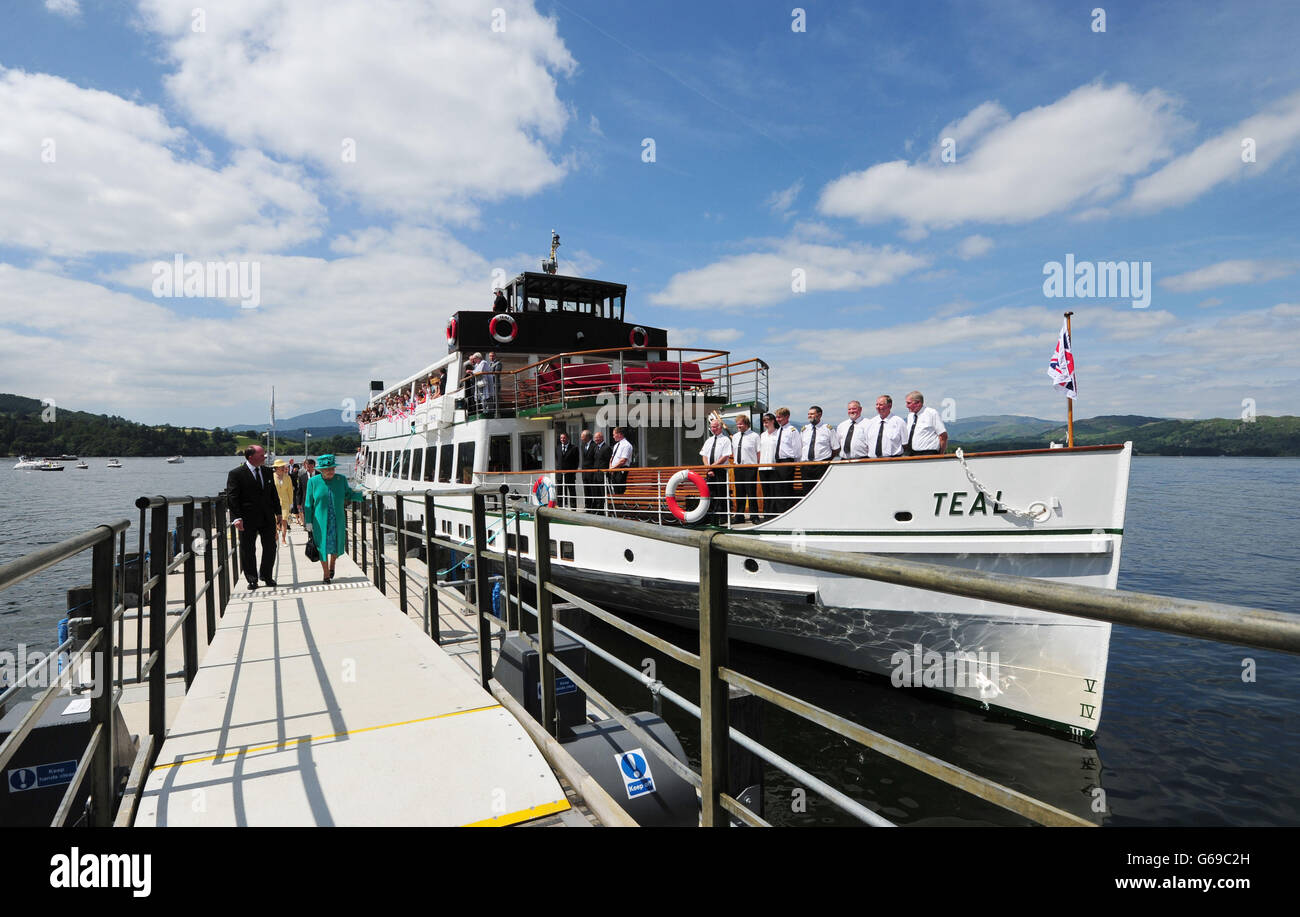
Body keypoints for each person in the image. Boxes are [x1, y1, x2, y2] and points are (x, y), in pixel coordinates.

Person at [225, 445, 281, 590]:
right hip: (247, 518)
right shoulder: (236, 474)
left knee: (271, 546)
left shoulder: (268, 472)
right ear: (251, 457)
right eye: (262, 455)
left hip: (267, 517)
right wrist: (236, 517)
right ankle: (252, 579)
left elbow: (273, 493)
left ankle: (266, 575)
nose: (265, 457)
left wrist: (278, 512)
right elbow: (232, 497)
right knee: (248, 549)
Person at [303, 454, 365, 584]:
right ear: (320, 470)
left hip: (337, 520)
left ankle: (333, 564)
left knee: (336, 545)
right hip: (319, 522)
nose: (331, 472)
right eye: (327, 469)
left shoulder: (340, 479)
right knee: (322, 547)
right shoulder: (313, 482)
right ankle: (326, 574)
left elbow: (348, 494)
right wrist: (308, 521)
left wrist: (362, 494)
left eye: (332, 469)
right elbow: (308, 503)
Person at [698, 415, 733, 522]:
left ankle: (723, 516)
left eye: (715, 427)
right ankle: (712, 515)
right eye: (711, 427)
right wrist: (708, 468)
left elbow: (725, 456)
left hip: (720, 470)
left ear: (720, 427)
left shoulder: (725, 440)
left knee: (722, 493)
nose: (713, 429)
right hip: (709, 470)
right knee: (711, 493)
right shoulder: (709, 440)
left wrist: (712, 467)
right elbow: (704, 455)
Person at [771, 407, 802, 513]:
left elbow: (797, 449)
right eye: (777, 417)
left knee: (786, 488)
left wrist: (795, 464)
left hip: (787, 462)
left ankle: (788, 511)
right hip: (778, 462)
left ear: (787, 417)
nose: (778, 419)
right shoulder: (779, 430)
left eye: (780, 417)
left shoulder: (792, 430)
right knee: (778, 488)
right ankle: (780, 512)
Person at [731, 414, 760, 523]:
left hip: (750, 467)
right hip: (738, 467)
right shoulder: (735, 437)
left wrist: (756, 466)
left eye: (740, 423)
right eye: (737, 423)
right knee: (739, 492)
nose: (738, 425)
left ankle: (754, 516)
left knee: (751, 492)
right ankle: (739, 516)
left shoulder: (755, 436)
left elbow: (758, 452)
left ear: (746, 424)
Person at [902, 391, 948, 455]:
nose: (906, 406)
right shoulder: (910, 416)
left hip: (928, 453)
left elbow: (943, 436)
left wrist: (940, 454)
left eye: (909, 403)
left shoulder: (931, 413)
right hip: (911, 454)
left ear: (918, 403)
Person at [800, 405, 836, 486]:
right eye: (809, 414)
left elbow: (836, 448)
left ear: (819, 415)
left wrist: (827, 459)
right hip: (806, 466)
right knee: (806, 491)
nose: (809, 416)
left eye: (812, 414)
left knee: (822, 489)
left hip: (821, 466)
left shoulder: (828, 429)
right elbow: (801, 447)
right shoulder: (804, 429)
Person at [757, 412, 779, 520]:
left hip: (773, 467)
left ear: (773, 421)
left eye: (767, 421)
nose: (765, 424)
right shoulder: (762, 435)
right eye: (764, 422)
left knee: (774, 491)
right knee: (766, 492)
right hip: (762, 467)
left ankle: (773, 514)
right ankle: (767, 514)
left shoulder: (778, 433)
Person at [609, 427, 633, 512]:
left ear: (619, 434)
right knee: (614, 490)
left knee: (620, 490)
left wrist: (612, 468)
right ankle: (616, 509)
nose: (613, 436)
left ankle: (620, 510)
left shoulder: (626, 445)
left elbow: (623, 460)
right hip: (615, 471)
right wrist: (611, 468)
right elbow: (612, 458)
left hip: (621, 470)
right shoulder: (616, 445)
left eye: (614, 434)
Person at [272, 459, 294, 545]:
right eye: (281, 467)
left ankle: (284, 539)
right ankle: (275, 534)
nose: (283, 468)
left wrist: (291, 503)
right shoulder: (271, 476)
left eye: (283, 466)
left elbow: (290, 491)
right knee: (274, 520)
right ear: (276, 468)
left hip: (285, 502)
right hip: (274, 502)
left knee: (284, 520)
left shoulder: (287, 477)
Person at [555, 432, 579, 508]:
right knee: (560, 491)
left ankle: (573, 507)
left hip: (570, 474)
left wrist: (572, 471)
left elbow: (576, 461)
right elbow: (557, 459)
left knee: (572, 491)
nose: (562, 439)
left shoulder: (574, 448)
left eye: (564, 438)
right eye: (561, 438)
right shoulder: (558, 447)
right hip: (559, 474)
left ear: (568, 438)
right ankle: (561, 506)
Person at [579, 429, 599, 512]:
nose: (581, 438)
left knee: (592, 489)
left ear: (587, 437)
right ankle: (587, 506)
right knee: (586, 489)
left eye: (582, 436)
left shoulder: (594, 445)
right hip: (584, 472)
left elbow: (595, 459)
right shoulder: (582, 445)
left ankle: (593, 507)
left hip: (592, 471)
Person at [593, 431, 613, 514]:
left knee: (603, 493)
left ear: (602, 438)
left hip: (603, 475)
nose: (596, 439)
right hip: (596, 474)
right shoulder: (596, 448)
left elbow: (609, 461)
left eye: (597, 437)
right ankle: (599, 510)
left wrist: (607, 473)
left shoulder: (606, 448)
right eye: (595, 438)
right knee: (597, 493)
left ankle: (606, 510)